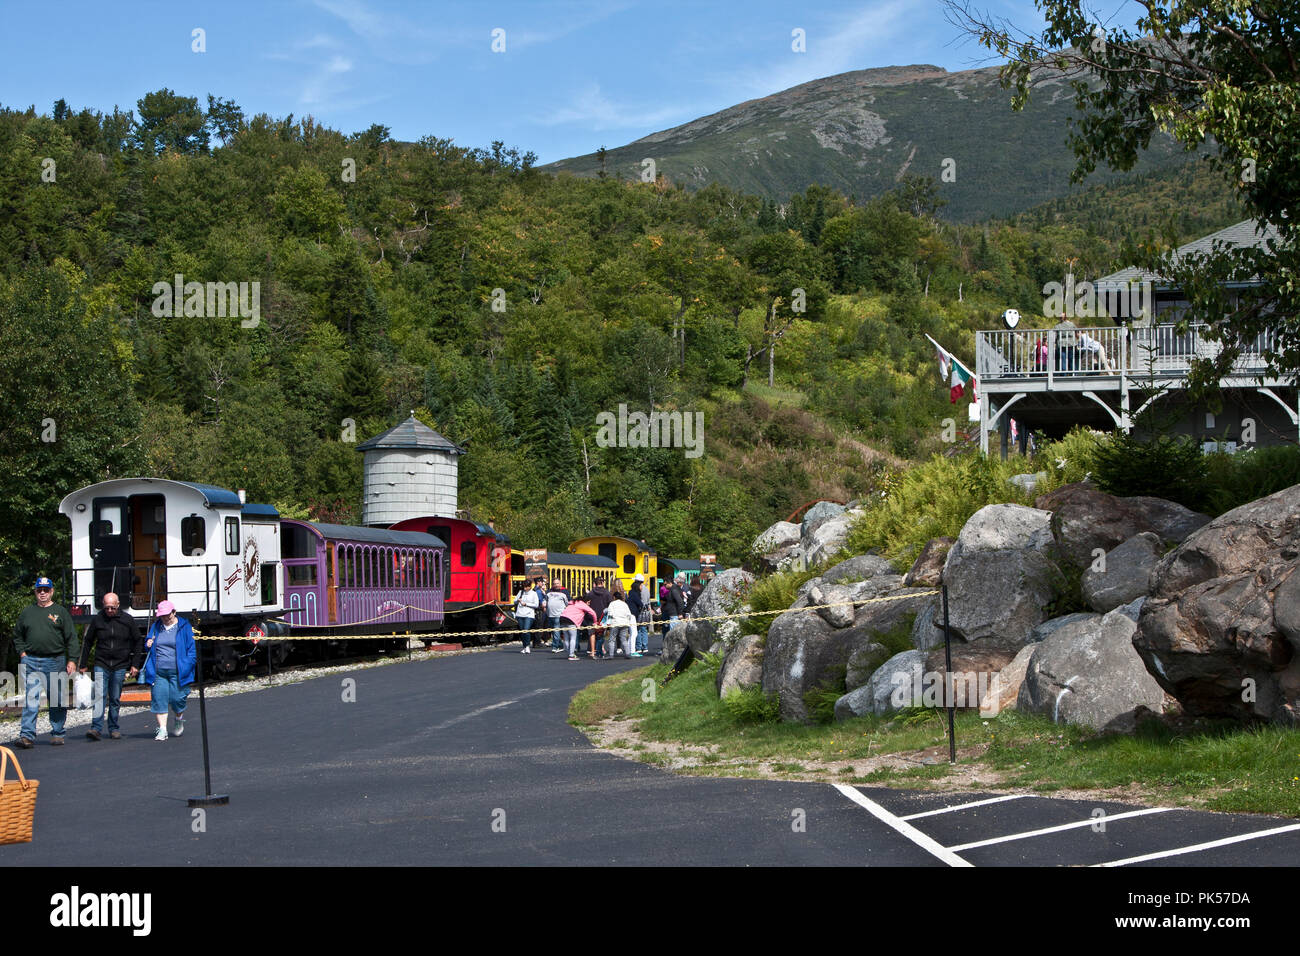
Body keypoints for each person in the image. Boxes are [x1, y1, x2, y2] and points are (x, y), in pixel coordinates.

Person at [13, 576, 79, 749]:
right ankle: (27, 735)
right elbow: (17, 635)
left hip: (55, 660)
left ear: (52, 591)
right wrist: (22, 653)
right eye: (39, 590)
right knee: (31, 698)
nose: (42, 593)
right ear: (35, 592)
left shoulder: (60, 612)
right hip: (31, 660)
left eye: (46, 590)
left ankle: (57, 732)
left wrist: (72, 659)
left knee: (56, 698)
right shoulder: (27, 612)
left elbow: (71, 637)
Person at [77, 592, 144, 740]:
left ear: (118, 605)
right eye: (106, 608)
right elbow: (88, 641)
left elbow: (138, 641)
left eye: (112, 608)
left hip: (120, 664)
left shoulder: (127, 620)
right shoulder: (98, 620)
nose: (109, 611)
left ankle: (113, 727)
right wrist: (83, 663)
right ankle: (96, 728)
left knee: (114, 697)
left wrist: (135, 664)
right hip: (102, 662)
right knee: (100, 695)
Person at [140, 600, 197, 741]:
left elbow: (192, 650)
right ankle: (162, 729)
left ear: (174, 612)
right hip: (158, 671)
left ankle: (179, 718)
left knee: (177, 699)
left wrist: (187, 665)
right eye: (162, 615)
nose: (165, 618)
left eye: (167, 615)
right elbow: (149, 643)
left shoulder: (184, 627)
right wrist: (147, 644)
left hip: (178, 671)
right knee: (159, 699)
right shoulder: (156, 627)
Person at [603, 583, 635, 658]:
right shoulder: (624, 604)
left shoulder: (612, 604)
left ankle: (611, 655)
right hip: (625, 623)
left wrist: (608, 623)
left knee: (612, 639)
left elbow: (610, 614)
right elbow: (629, 614)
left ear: (614, 597)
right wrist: (628, 622)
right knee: (624, 639)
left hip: (615, 623)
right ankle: (628, 654)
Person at [584, 576, 612, 658]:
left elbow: (586, 602)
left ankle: (593, 651)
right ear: (603, 583)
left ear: (595, 584)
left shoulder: (591, 593)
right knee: (601, 633)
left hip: (592, 616)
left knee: (592, 633)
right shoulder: (607, 593)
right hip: (603, 616)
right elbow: (610, 604)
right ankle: (602, 649)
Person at [627, 573, 651, 657]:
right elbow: (641, 603)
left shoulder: (631, 592)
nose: (642, 587)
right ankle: (632, 651)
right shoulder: (635, 594)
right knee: (634, 633)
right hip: (633, 614)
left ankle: (629, 650)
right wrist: (646, 607)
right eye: (641, 585)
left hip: (632, 614)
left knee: (633, 633)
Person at [545, 577, 570, 652]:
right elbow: (546, 601)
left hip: (559, 615)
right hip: (550, 615)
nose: (556, 585)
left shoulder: (564, 592)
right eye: (554, 584)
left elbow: (567, 603)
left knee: (556, 630)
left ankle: (555, 647)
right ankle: (560, 645)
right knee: (554, 631)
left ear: (560, 584)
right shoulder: (548, 592)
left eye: (557, 583)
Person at [513, 581, 539, 653]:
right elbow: (514, 601)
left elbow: (536, 605)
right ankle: (524, 646)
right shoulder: (521, 592)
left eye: (526, 586)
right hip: (520, 614)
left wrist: (526, 604)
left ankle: (527, 646)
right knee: (522, 631)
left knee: (526, 630)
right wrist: (517, 600)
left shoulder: (534, 593)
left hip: (529, 615)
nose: (525, 588)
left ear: (530, 586)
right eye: (524, 586)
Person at [531, 579, 548, 648]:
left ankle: (536, 641)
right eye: (541, 582)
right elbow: (541, 600)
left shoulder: (534, 590)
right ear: (538, 582)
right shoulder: (538, 591)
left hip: (536, 610)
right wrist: (543, 606)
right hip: (539, 610)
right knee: (539, 625)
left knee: (536, 626)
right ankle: (537, 642)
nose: (542, 583)